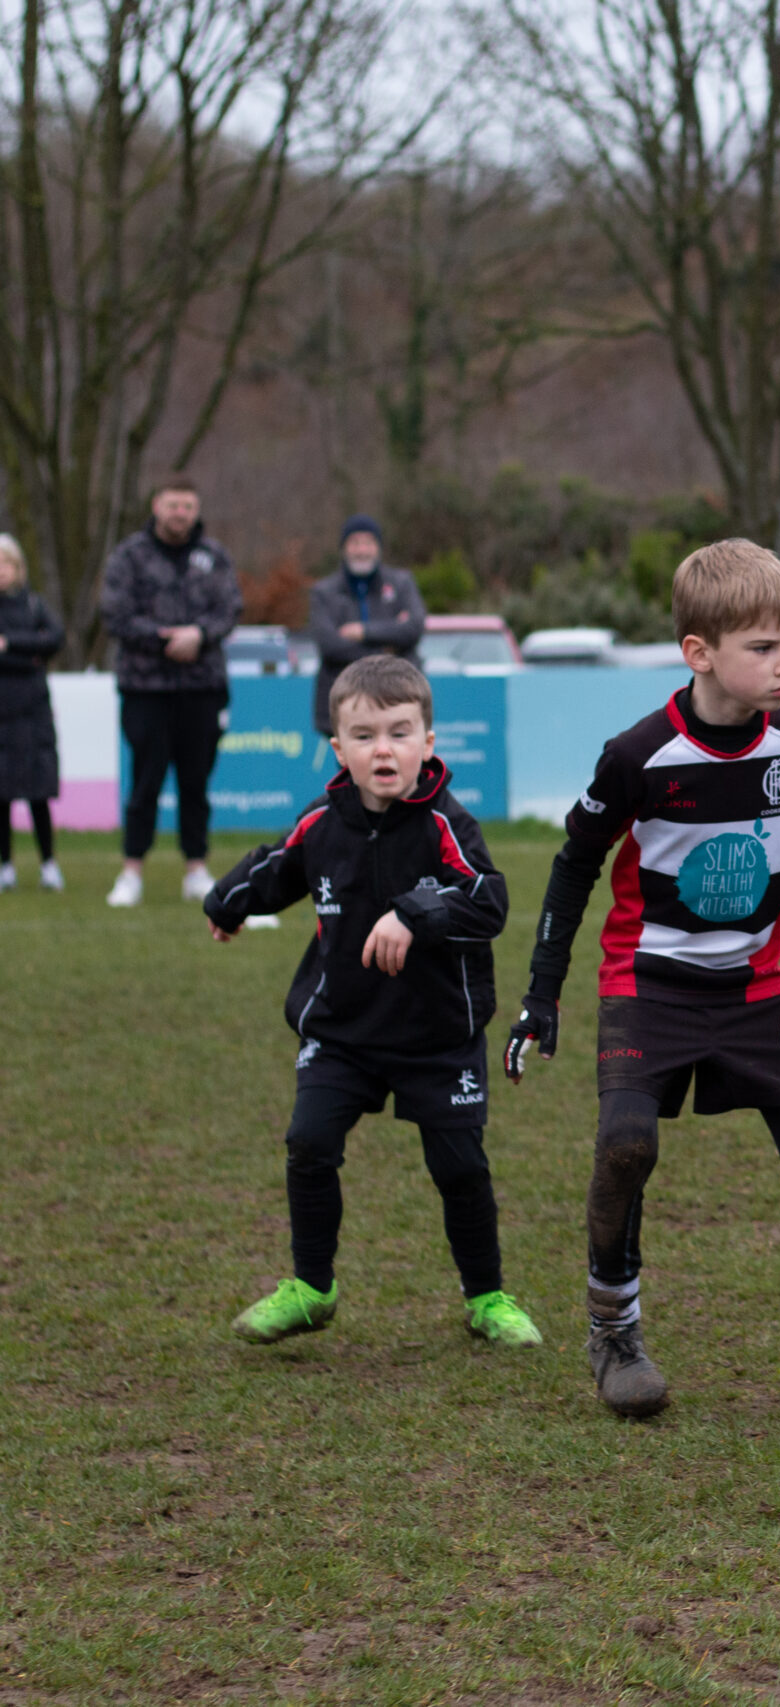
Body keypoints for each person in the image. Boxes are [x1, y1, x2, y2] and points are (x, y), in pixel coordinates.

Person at [504, 539, 780, 1421]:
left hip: (753, 990)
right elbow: (574, 866)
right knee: (626, 1145)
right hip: (645, 985)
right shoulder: (638, 754)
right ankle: (614, 1335)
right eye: (763, 647)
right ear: (700, 652)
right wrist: (542, 994)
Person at [204, 655, 541, 1350]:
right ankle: (311, 1287)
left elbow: (490, 899)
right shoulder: (324, 820)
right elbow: (278, 865)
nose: (382, 748)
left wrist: (414, 913)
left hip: (437, 1034)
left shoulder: (449, 824)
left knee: (459, 1166)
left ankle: (486, 1297)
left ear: (428, 741)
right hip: (344, 1029)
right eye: (363, 735)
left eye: (398, 731)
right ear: (338, 748)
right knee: (308, 1140)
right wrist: (228, 901)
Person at [99, 474, 241, 907]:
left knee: (195, 783)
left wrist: (199, 634)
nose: (180, 513)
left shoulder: (213, 556)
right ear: (156, 505)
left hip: (202, 687)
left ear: (196, 510)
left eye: (187, 506)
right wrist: (166, 640)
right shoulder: (129, 556)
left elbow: (230, 608)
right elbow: (115, 614)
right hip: (146, 688)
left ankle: (195, 868)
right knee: (145, 781)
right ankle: (131, 872)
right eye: (172, 504)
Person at [307, 515, 426, 735]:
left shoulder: (402, 583)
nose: (362, 550)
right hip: (345, 700)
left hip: (399, 697)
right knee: (351, 769)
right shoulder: (323, 592)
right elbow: (329, 645)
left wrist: (363, 632)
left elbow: (414, 628)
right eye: (355, 543)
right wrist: (388, 645)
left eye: (368, 542)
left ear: (378, 547)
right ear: (344, 548)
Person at [0, 533, 65, 892]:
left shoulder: (34, 606)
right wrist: (28, 655)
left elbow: (54, 639)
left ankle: (49, 864)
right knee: (2, 795)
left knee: (38, 794)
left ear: (18, 567)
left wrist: (10, 645)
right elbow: (38, 650)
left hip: (34, 714)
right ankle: (6, 866)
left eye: (6, 564)